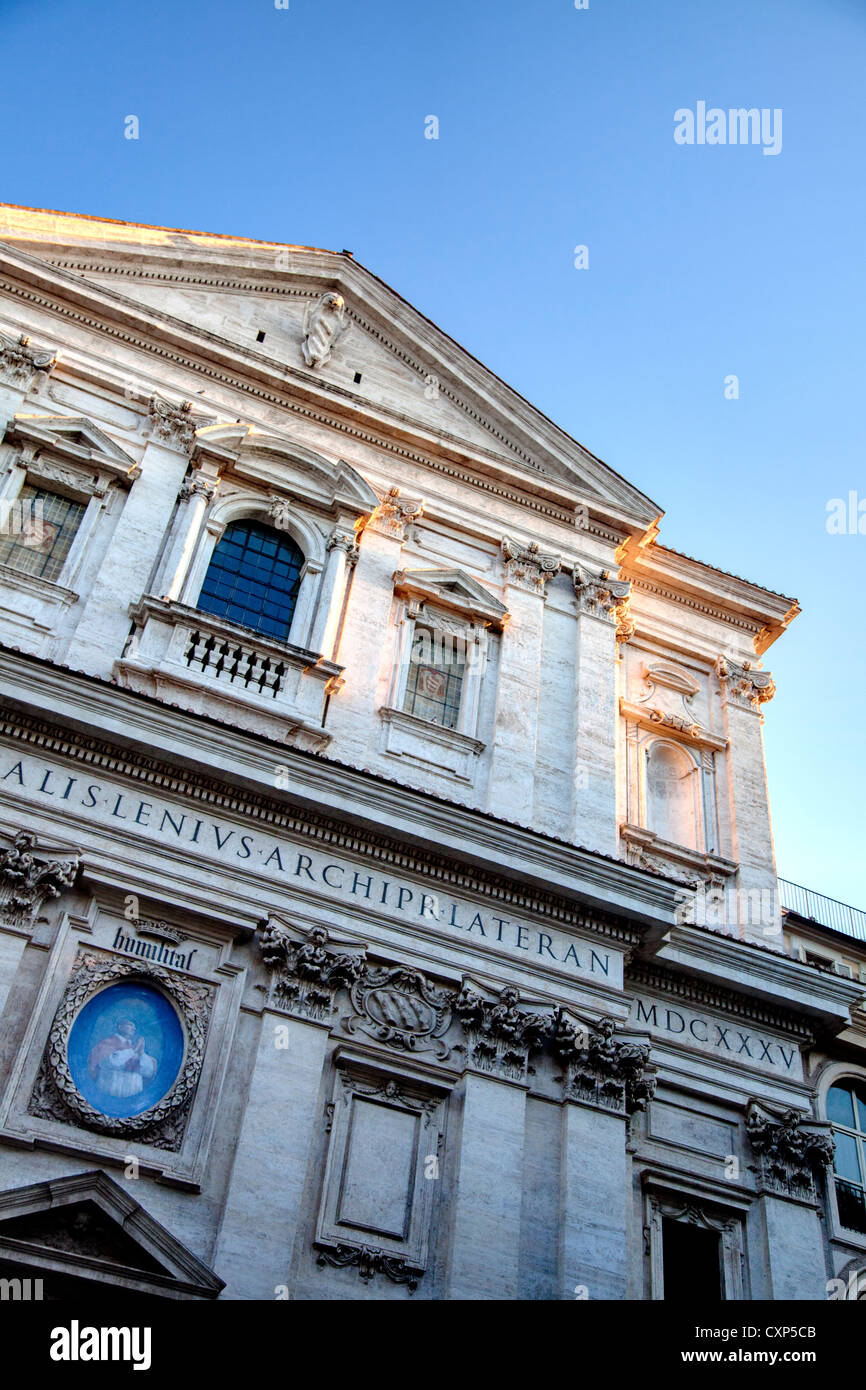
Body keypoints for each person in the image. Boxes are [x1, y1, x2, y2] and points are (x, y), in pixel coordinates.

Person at [86, 1019, 157, 1100]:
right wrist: (133, 1050)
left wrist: (141, 1054)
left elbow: (148, 1072)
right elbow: (108, 1063)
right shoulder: (106, 1043)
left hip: (132, 1098)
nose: (133, 1028)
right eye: (130, 1025)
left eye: (134, 1027)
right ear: (120, 1027)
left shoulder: (136, 1048)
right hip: (109, 1094)